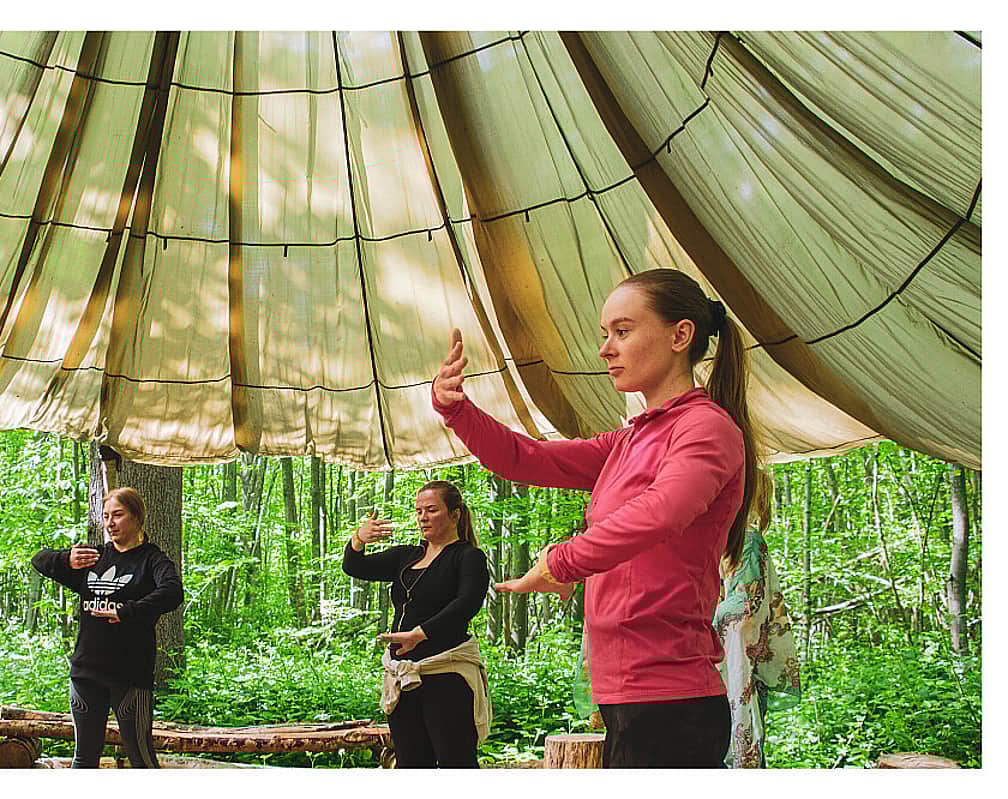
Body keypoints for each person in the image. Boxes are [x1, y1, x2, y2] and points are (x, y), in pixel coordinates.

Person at [432, 267, 756, 768]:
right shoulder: (629, 439)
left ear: (680, 335)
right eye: (605, 334)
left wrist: (560, 562)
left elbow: (662, 512)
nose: (606, 348)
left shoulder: (706, 428)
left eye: (622, 332)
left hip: (672, 698)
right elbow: (529, 459)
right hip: (624, 694)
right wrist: (457, 411)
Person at [31, 486, 185, 768]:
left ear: (137, 517)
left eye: (118, 515)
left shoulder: (151, 560)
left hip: (129, 676)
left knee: (141, 759)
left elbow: (173, 592)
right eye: (105, 516)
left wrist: (127, 611)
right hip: (86, 674)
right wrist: (66, 559)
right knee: (84, 760)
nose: (110, 523)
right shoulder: (95, 558)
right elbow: (39, 560)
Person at [342, 480, 491, 768]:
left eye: (432, 510)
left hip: (446, 675)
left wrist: (421, 634)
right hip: (402, 677)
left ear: (455, 514)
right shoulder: (407, 556)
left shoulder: (468, 557)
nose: (423, 517)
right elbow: (355, 567)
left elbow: (467, 603)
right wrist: (358, 539)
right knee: (411, 765)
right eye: (419, 511)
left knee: (456, 764)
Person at [713, 469, 801, 767]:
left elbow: (744, 606)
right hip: (744, 658)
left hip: (742, 659)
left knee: (735, 740)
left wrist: (703, 618)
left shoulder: (748, 540)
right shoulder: (747, 539)